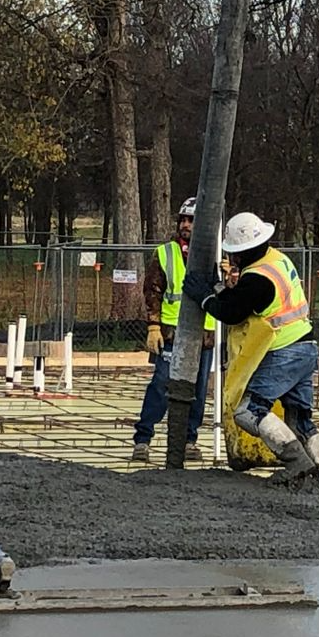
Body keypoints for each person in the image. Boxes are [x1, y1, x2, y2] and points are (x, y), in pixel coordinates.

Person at [182, 211, 319, 484]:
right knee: (300, 415)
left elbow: (232, 313)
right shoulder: (275, 260)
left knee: (248, 411)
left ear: (240, 254)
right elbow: (242, 297)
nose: (231, 260)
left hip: (284, 351)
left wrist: (205, 297)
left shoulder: (257, 279)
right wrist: (219, 287)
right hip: (306, 345)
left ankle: (296, 461)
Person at [132, 197, 215, 463]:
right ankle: (143, 439)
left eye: (191, 220)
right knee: (161, 386)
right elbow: (153, 292)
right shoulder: (165, 253)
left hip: (204, 335)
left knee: (198, 391)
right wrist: (153, 326)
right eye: (183, 220)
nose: (186, 225)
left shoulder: (216, 255)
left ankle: (189, 439)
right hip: (171, 334)